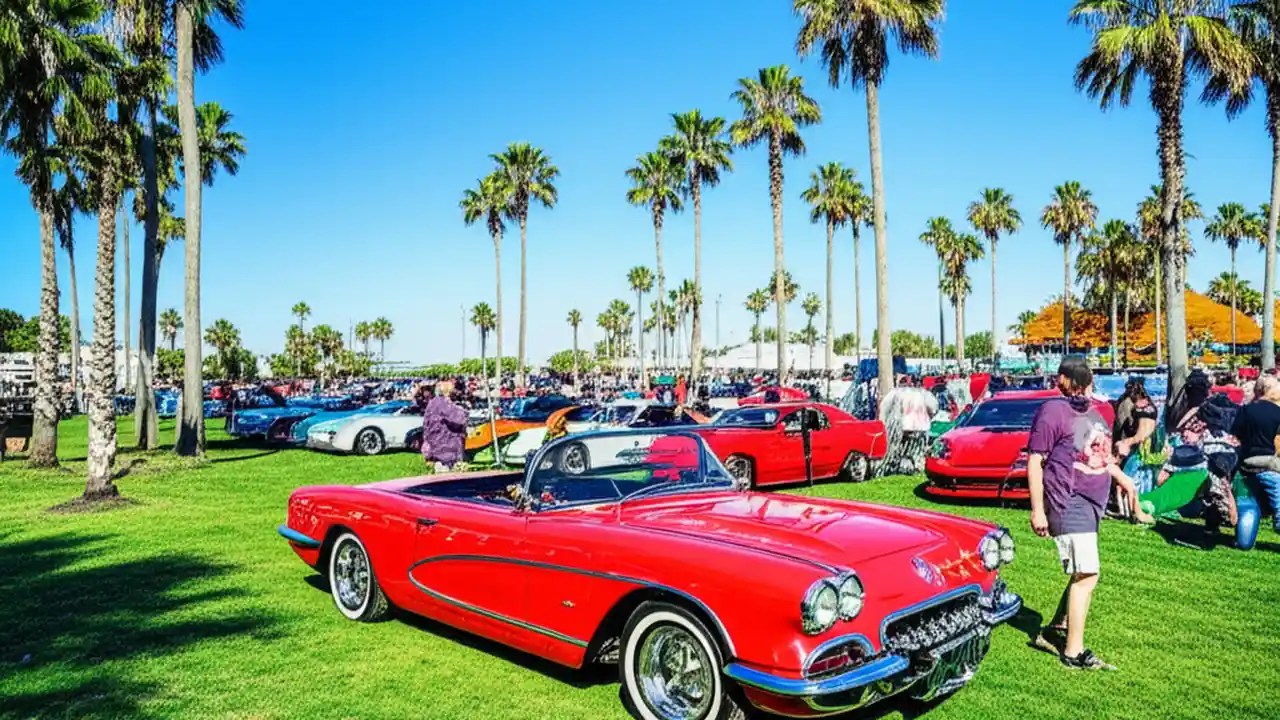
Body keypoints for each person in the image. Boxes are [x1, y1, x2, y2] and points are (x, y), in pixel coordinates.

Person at [1028, 357, 1152, 671]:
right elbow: (1035, 462)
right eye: (1078, 381)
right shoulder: (1052, 411)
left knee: (1080, 571)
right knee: (1088, 575)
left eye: (1087, 381)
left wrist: (1122, 477)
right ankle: (1073, 652)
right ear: (1062, 381)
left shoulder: (1098, 411)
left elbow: (1097, 455)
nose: (1084, 387)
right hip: (1068, 501)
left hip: (1092, 504)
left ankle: (1054, 629)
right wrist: (1037, 511)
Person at [1232, 375, 1280, 532]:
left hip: (1246, 464)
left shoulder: (1245, 411)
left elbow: (1235, 433)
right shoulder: (1277, 413)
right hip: (1270, 466)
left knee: (1250, 505)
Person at [421, 381, 468, 472]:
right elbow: (459, 419)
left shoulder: (432, 403)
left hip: (435, 443)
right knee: (447, 475)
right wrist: (463, 411)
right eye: (452, 391)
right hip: (445, 446)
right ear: (447, 391)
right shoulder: (443, 403)